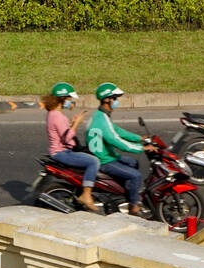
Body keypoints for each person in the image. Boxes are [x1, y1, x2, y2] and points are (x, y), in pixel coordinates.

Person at [85, 82, 149, 216]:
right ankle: (134, 207)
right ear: (106, 99)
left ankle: (124, 192)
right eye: (114, 98)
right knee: (136, 175)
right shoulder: (101, 119)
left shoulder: (101, 115)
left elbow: (118, 131)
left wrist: (139, 138)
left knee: (133, 163)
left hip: (107, 156)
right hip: (104, 160)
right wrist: (142, 148)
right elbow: (116, 140)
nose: (116, 101)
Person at [42, 82, 101, 213]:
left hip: (62, 150)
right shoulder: (56, 115)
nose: (70, 102)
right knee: (93, 161)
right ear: (62, 99)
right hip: (62, 152)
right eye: (69, 99)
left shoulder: (53, 114)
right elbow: (66, 138)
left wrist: (72, 123)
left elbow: (62, 132)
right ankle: (86, 195)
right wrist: (77, 124)